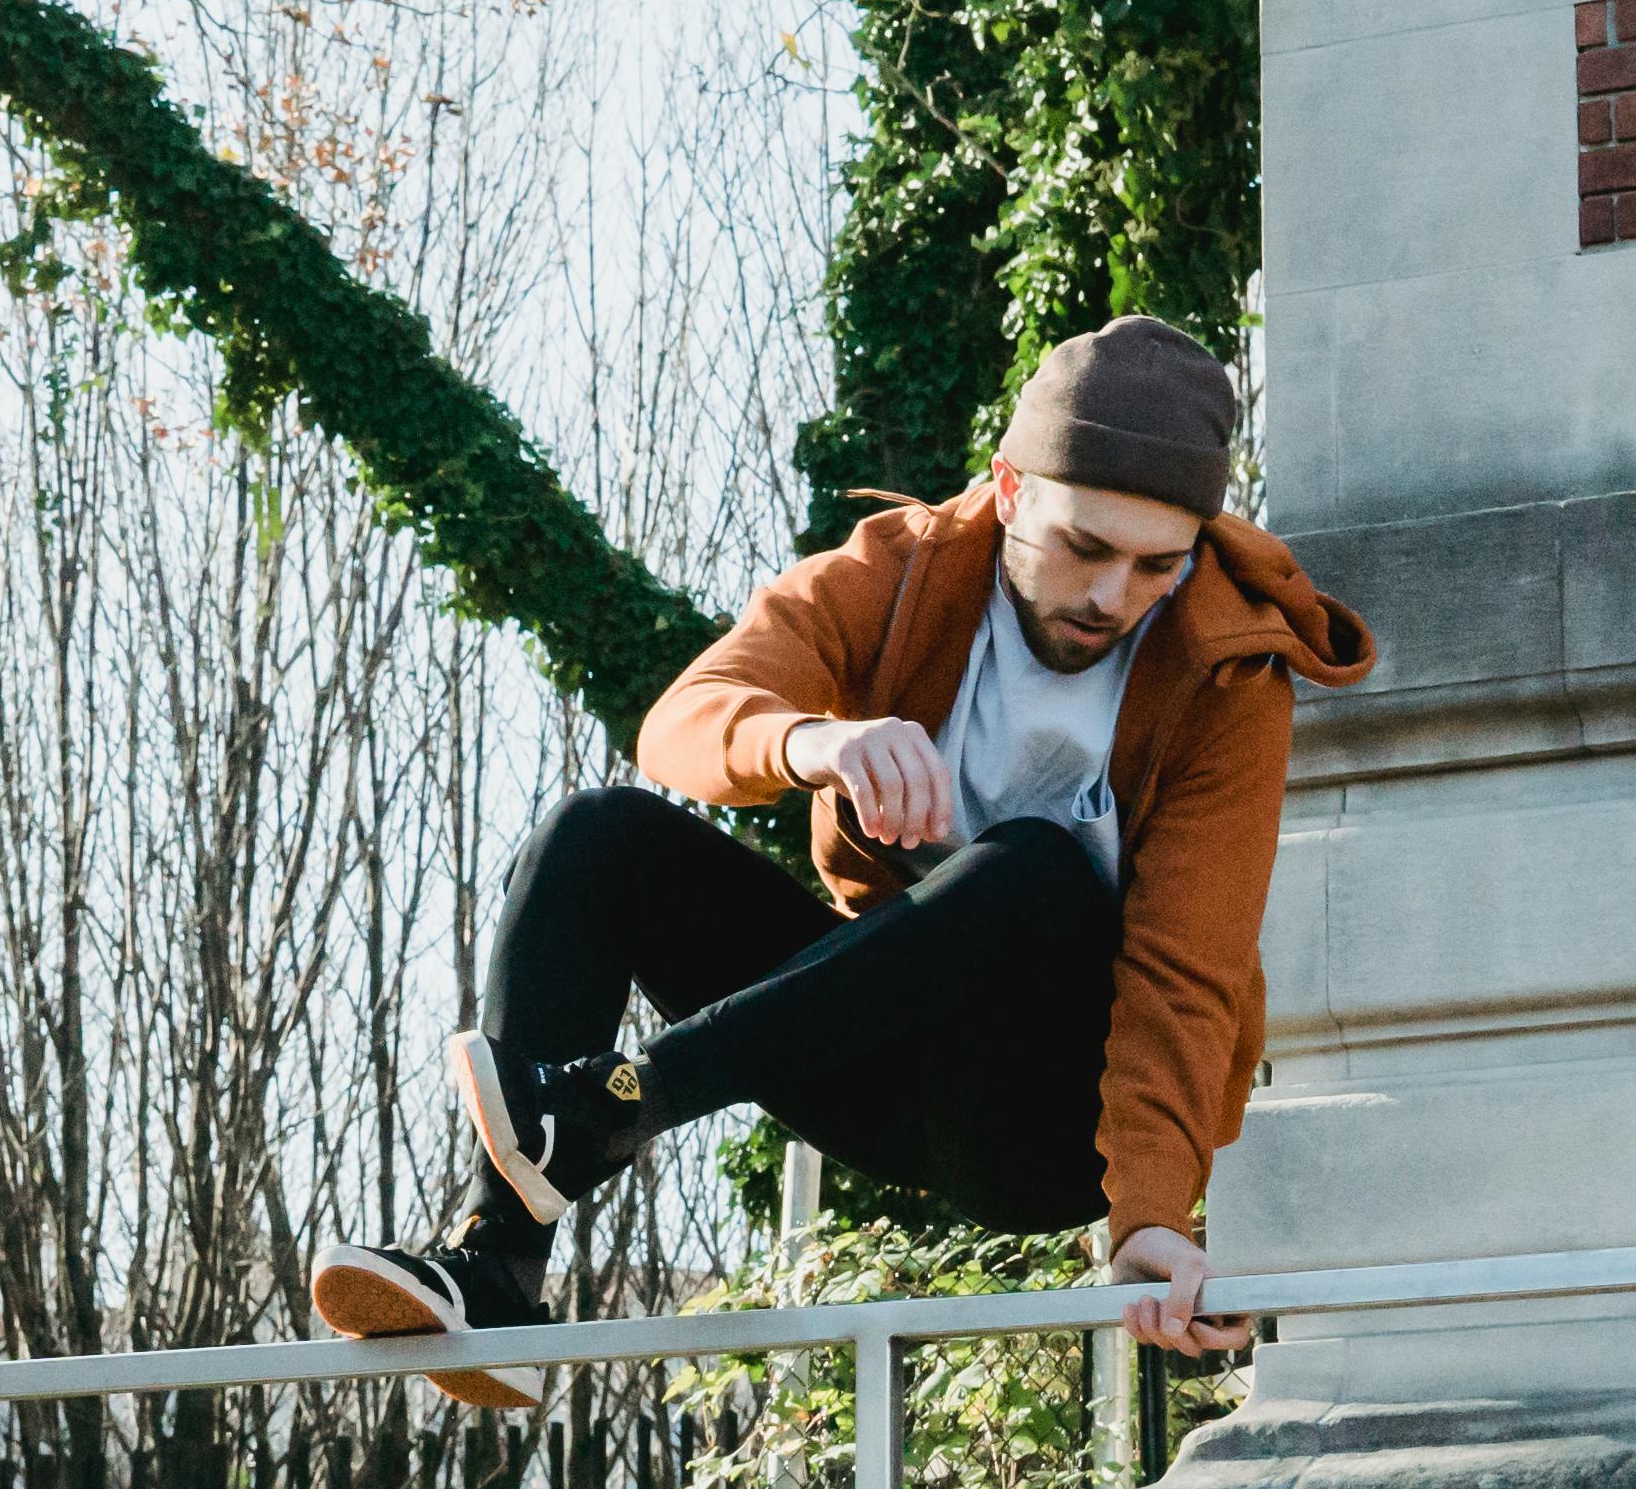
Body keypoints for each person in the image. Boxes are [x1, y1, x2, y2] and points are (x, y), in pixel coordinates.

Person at [311, 314, 1378, 1411]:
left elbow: (1186, 970)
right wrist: (814, 742)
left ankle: (620, 1102)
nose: (1113, 597)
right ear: (1010, 491)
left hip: (1046, 1121)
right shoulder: (904, 572)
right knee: (599, 837)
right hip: (877, 1047)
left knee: (1039, 871)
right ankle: (496, 1272)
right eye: (1085, 547)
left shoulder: (1227, 676)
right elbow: (685, 720)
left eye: (1158, 563)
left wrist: (1149, 1215)